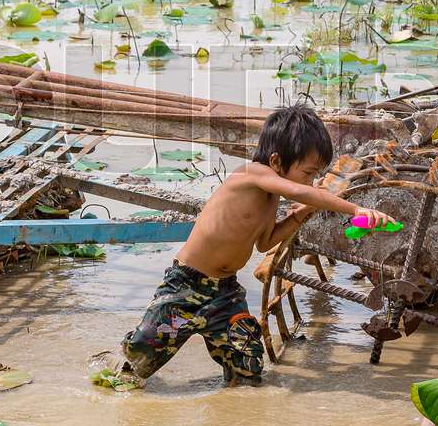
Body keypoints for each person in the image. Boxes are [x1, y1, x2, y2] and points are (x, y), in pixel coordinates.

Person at [97, 104, 393, 389]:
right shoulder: (252, 174)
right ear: (276, 161)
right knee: (140, 357)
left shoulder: (271, 196)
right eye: (308, 173)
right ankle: (109, 364)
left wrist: (301, 212)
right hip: (185, 287)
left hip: (225, 292)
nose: (312, 182)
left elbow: (265, 241)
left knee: (248, 363)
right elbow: (298, 190)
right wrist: (355, 210)